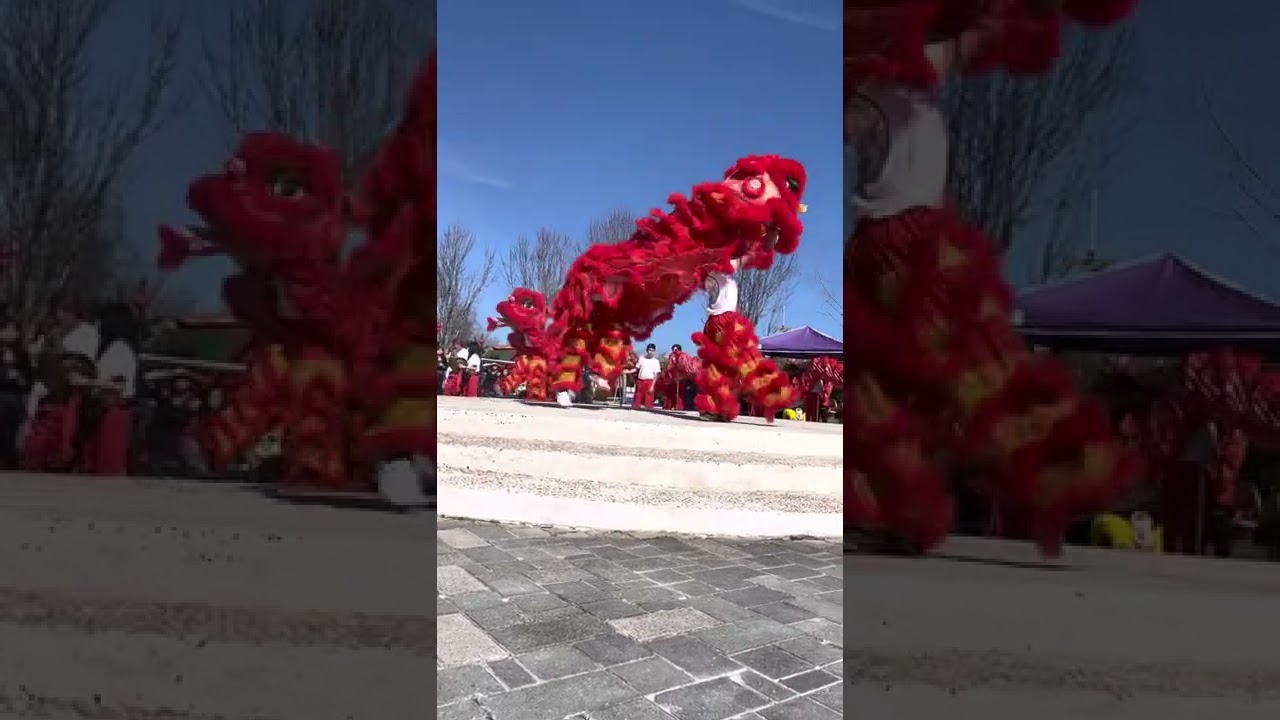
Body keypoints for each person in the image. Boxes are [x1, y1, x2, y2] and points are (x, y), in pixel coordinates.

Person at [79, 303, 140, 475]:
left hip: (116, 412)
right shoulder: (110, 349)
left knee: (109, 465)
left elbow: (118, 385)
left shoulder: (120, 349)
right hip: (105, 411)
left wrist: (86, 383)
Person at [0, 312, 32, 468]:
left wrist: (19, 377)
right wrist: (6, 371)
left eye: (14, 330)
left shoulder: (21, 354)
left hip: (15, 394)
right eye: (7, 329)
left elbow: (29, 378)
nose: (11, 333)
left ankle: (9, 454)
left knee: (10, 405)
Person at [632, 344, 661, 409]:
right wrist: (626, 371)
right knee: (637, 400)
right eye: (649, 350)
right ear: (647, 350)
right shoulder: (641, 359)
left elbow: (656, 375)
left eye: (652, 350)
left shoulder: (656, 361)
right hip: (640, 381)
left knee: (648, 402)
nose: (651, 352)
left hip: (649, 382)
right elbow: (636, 369)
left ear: (654, 351)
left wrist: (652, 386)